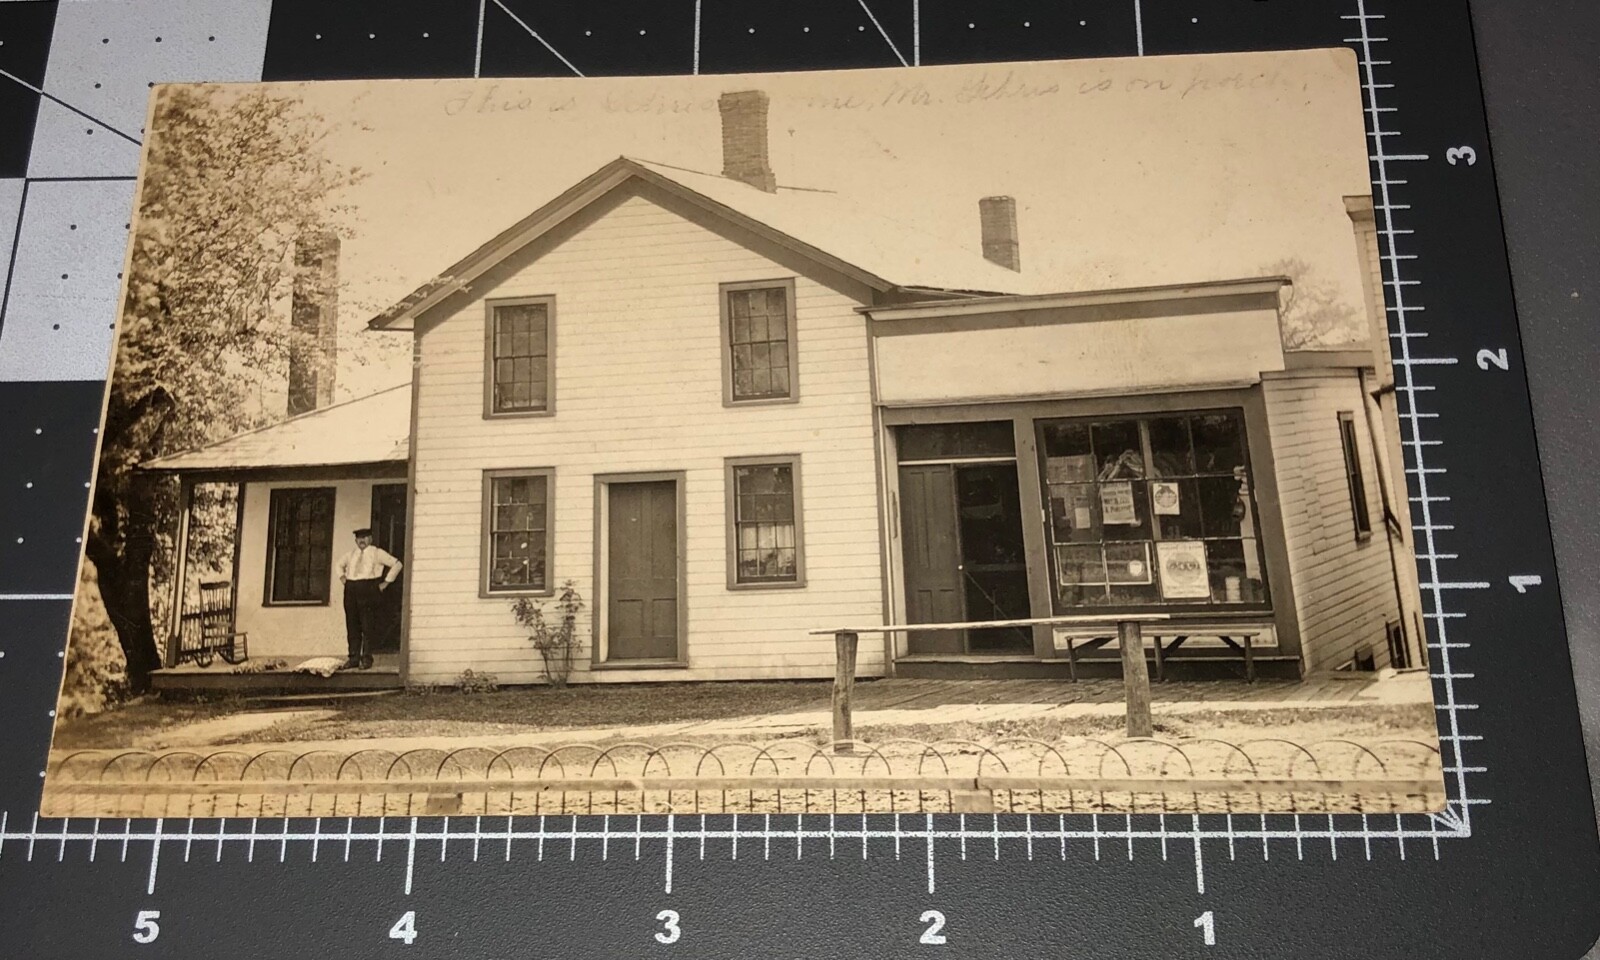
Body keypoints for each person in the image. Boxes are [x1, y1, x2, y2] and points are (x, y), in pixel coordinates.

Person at [337, 527, 403, 670]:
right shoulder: (351, 554)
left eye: (365, 537)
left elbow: (397, 564)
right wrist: (343, 578)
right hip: (351, 589)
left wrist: (385, 583)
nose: (362, 541)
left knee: (368, 624)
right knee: (352, 624)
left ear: (370, 539)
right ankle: (353, 658)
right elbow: (339, 565)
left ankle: (367, 658)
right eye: (359, 538)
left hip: (369, 588)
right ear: (355, 540)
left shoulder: (377, 553)